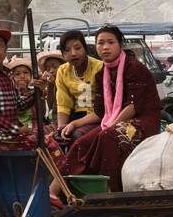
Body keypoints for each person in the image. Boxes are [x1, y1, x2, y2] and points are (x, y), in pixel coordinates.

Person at [60, 25, 162, 192]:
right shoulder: (101, 74)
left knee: (107, 137)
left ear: (120, 44)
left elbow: (133, 106)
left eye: (110, 42)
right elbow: (100, 112)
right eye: (100, 43)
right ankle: (56, 192)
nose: (105, 47)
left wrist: (113, 124)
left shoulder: (134, 68)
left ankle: (110, 192)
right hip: (114, 120)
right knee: (80, 142)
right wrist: (74, 124)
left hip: (143, 121)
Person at [0, 26, 44, 151]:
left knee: (46, 139)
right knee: (45, 144)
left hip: (11, 136)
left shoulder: (7, 75)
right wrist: (17, 129)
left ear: (6, 48)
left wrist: (36, 91)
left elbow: (18, 105)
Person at [54, 30, 102, 139]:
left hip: (97, 117)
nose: (73, 53)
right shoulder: (63, 70)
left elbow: (104, 108)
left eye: (77, 48)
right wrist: (61, 129)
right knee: (45, 134)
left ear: (85, 49)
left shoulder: (100, 68)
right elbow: (63, 104)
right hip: (75, 116)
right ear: (62, 54)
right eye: (67, 50)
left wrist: (73, 125)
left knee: (77, 134)